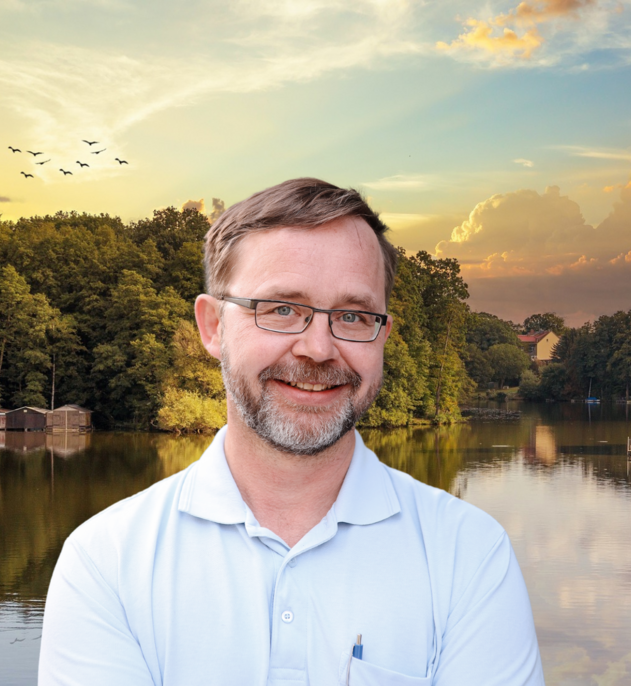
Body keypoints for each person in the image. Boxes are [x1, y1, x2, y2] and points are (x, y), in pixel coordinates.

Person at [38, 178, 545, 685]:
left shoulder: (469, 556)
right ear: (213, 327)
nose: (318, 348)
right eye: (282, 309)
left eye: (352, 315)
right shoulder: (107, 561)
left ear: (382, 335)